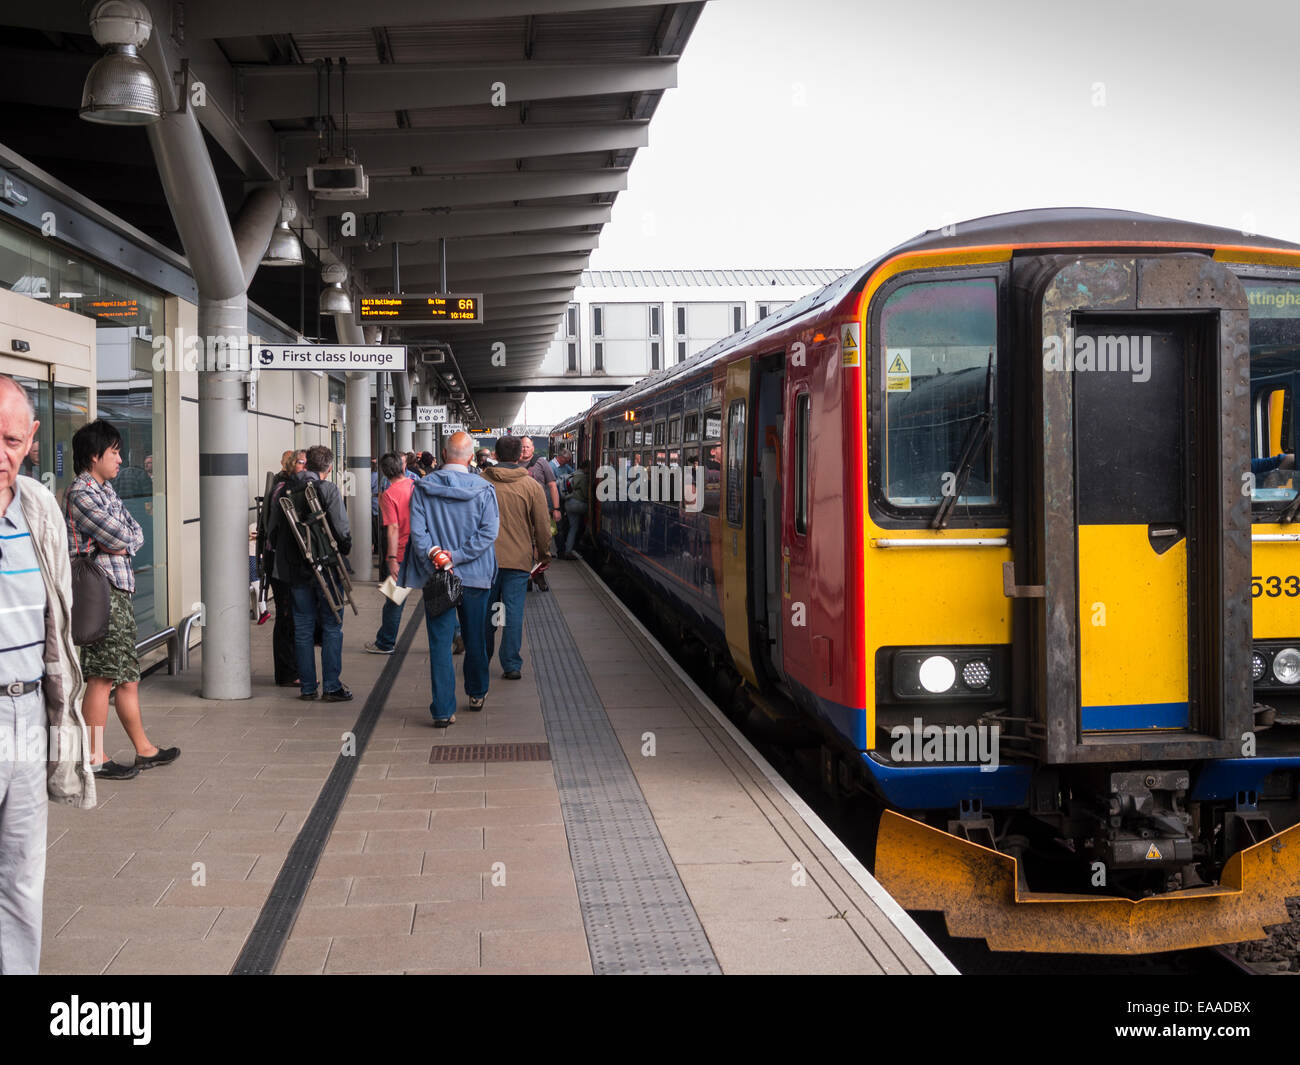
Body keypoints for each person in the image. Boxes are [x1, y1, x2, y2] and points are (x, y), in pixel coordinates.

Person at [0, 375, 94, 975]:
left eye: (10, 439)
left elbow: (57, 620)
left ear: (32, 438)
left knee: (22, 875)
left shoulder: (37, 507)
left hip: (29, 712)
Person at [66, 419, 179, 780]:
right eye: (113, 452)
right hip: (100, 594)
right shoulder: (81, 493)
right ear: (94, 455)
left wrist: (121, 540)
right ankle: (94, 757)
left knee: (127, 677)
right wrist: (120, 540)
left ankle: (144, 750)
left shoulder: (107, 489)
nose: (120, 459)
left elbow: (133, 534)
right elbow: (118, 534)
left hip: (119, 588)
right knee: (101, 676)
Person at [401, 431, 499, 727]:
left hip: (437, 578)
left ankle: (443, 710)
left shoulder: (422, 488)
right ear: (471, 457)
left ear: (444, 455)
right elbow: (488, 534)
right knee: (475, 637)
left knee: (440, 643)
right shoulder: (484, 490)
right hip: (475, 577)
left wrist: (438, 556)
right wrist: (457, 555)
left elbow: (418, 534)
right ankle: (477, 691)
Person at [267, 444, 353, 702]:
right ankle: (331, 686)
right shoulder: (327, 489)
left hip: (296, 570)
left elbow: (272, 530)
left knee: (302, 627)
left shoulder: (284, 490)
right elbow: (341, 529)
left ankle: (307, 687)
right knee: (332, 625)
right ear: (328, 467)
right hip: (327, 567)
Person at [482, 435, 551, 680]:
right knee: (512, 611)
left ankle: (482, 659)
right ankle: (511, 663)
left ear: (496, 455)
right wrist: (544, 555)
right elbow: (543, 525)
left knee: (487, 612)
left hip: (485, 561)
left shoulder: (480, 483)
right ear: (519, 455)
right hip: (519, 560)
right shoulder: (531, 486)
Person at [259, 449, 305, 686]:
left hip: (279, 561)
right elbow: (277, 528)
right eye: (300, 462)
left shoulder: (280, 484)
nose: (304, 466)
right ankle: (287, 673)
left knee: (289, 618)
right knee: (286, 618)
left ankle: (290, 670)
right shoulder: (284, 490)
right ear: (290, 464)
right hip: (281, 563)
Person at [365, 452, 415, 655]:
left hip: (402, 553)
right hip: (422, 550)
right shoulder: (415, 486)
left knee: (394, 600)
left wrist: (392, 558)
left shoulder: (389, 494)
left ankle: (385, 642)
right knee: (436, 596)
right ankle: (456, 633)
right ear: (403, 468)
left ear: (384, 473)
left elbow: (393, 527)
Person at [519, 436, 560, 590]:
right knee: (524, 546)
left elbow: (552, 485)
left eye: (527, 447)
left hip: (540, 511)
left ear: (533, 448)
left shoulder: (541, 463)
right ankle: (528, 577)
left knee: (541, 544)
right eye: (522, 447)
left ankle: (538, 575)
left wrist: (556, 508)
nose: (525, 449)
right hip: (520, 512)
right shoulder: (513, 463)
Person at [562, 458, 591, 559]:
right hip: (578, 504)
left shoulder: (573, 474)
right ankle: (589, 533)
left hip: (568, 503)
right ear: (587, 468)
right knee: (595, 513)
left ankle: (568, 551)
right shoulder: (583, 477)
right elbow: (585, 494)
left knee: (573, 528)